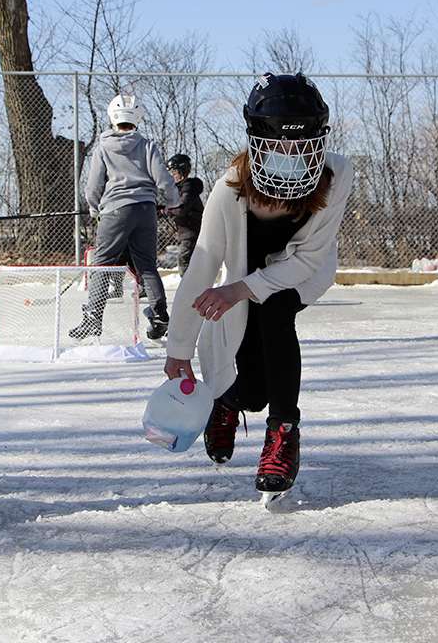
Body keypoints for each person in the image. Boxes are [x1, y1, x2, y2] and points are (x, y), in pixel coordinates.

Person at [163, 73, 354, 499]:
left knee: (277, 308)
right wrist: (178, 348)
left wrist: (238, 292)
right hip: (244, 278)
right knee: (252, 391)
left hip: (301, 273)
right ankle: (229, 404)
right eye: (279, 146)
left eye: (299, 146)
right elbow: (202, 267)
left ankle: (283, 432)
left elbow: (307, 258)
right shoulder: (229, 188)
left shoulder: (337, 173)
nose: (290, 155)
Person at [71, 94, 177, 340]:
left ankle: (92, 319)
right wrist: (171, 203)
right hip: (145, 210)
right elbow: (164, 179)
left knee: (102, 263)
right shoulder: (147, 145)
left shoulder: (103, 147)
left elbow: (92, 187)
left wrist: (95, 209)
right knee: (146, 264)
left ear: (112, 117)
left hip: (115, 210)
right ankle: (160, 315)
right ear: (137, 117)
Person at [164, 153, 204, 275]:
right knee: (189, 262)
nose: (172, 176)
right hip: (186, 232)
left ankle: (189, 290)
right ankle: (194, 289)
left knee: (184, 260)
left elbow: (181, 209)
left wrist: (166, 210)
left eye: (174, 172)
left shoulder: (188, 188)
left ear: (182, 171)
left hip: (191, 232)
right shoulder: (180, 189)